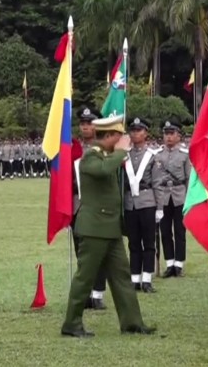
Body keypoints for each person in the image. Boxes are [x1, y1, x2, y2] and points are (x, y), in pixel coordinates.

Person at [61, 115, 157, 338]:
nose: (125, 138)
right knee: (85, 278)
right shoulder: (90, 157)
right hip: (94, 229)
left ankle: (132, 322)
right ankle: (71, 323)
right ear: (109, 136)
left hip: (111, 228)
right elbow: (103, 170)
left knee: (122, 276)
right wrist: (122, 151)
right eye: (119, 134)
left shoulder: (107, 156)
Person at [73, 107, 108, 309]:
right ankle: (84, 294)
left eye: (90, 122)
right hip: (78, 206)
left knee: (99, 253)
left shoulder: (104, 149)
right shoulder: (73, 149)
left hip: (98, 207)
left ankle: (97, 293)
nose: (86, 126)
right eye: (83, 123)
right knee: (81, 254)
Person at [123, 117, 159, 293]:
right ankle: (134, 278)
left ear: (145, 133)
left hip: (147, 202)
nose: (135, 133)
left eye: (139, 130)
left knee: (149, 242)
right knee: (133, 243)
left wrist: (159, 208)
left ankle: (147, 278)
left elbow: (158, 184)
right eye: (133, 130)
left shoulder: (153, 156)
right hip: (130, 203)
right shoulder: (125, 155)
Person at [152, 119, 190, 277]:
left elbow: (188, 178)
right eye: (166, 134)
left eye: (171, 134)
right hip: (163, 197)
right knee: (165, 231)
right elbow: (154, 179)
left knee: (180, 231)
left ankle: (179, 264)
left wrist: (189, 200)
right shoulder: (157, 155)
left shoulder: (184, 155)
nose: (168, 137)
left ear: (178, 136)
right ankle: (169, 263)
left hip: (180, 195)